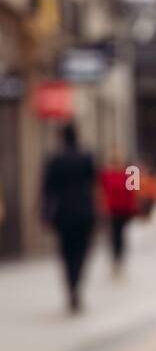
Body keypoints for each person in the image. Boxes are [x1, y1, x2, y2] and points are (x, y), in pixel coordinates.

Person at [40, 123, 97, 313]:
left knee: (66, 253)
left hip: (63, 213)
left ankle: (71, 286)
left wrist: (46, 214)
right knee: (81, 251)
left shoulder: (55, 159)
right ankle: (76, 284)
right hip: (83, 211)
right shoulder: (86, 157)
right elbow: (94, 182)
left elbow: (47, 189)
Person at [98, 149, 139, 276]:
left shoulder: (129, 173)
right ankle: (115, 260)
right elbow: (101, 191)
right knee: (114, 235)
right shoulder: (106, 175)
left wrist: (134, 207)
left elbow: (133, 192)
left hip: (124, 209)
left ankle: (119, 259)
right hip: (112, 209)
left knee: (120, 235)